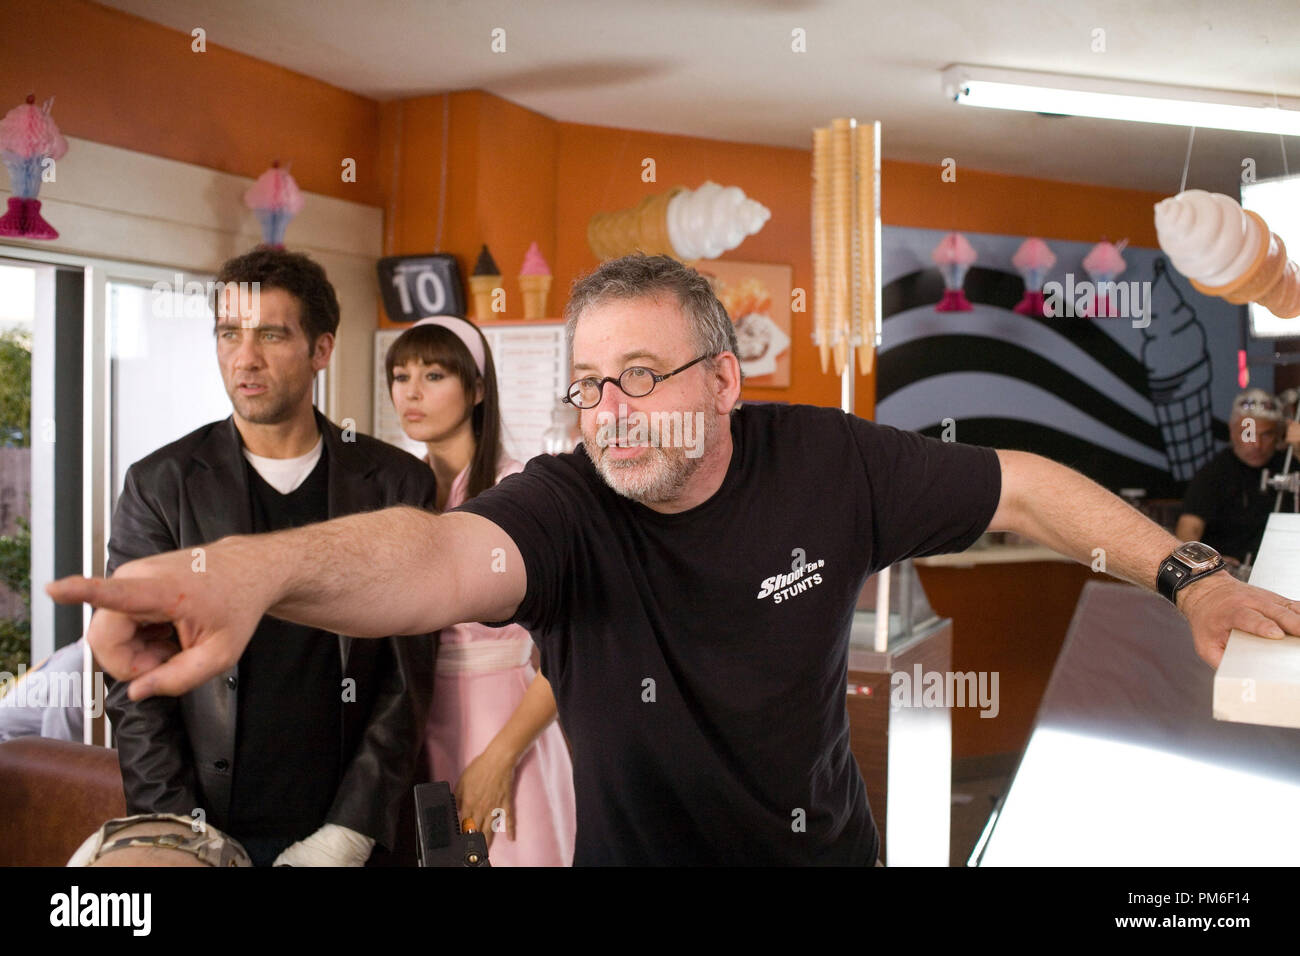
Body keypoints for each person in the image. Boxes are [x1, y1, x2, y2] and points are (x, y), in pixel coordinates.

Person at [53, 254, 1300, 866]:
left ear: (724, 382)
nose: (609, 411)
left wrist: (1188, 576)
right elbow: (432, 558)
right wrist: (257, 571)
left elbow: (1017, 482)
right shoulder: (565, 503)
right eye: (590, 382)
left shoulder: (826, 461)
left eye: (641, 376)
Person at [102, 247, 437, 867]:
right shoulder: (160, 486)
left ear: (321, 349)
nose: (244, 357)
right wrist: (179, 835)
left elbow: (407, 679)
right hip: (208, 825)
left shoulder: (396, 484)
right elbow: (133, 681)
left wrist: (350, 831)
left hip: (347, 834)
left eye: (271, 335)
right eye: (229, 333)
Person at [386, 316, 576, 865]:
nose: (411, 392)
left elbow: (571, 649)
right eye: (400, 376)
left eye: (434, 375)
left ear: (477, 390)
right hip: (417, 722)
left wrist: (500, 758)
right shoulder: (398, 492)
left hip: (506, 723)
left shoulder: (522, 490)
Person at [1176, 389, 1300, 566]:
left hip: (1283, 568)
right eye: (1248, 433)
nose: (1256, 444)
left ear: (1279, 434)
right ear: (1232, 431)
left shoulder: (1290, 464)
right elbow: (1189, 528)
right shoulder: (1214, 472)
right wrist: (1206, 565)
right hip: (1227, 572)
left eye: (1266, 434)